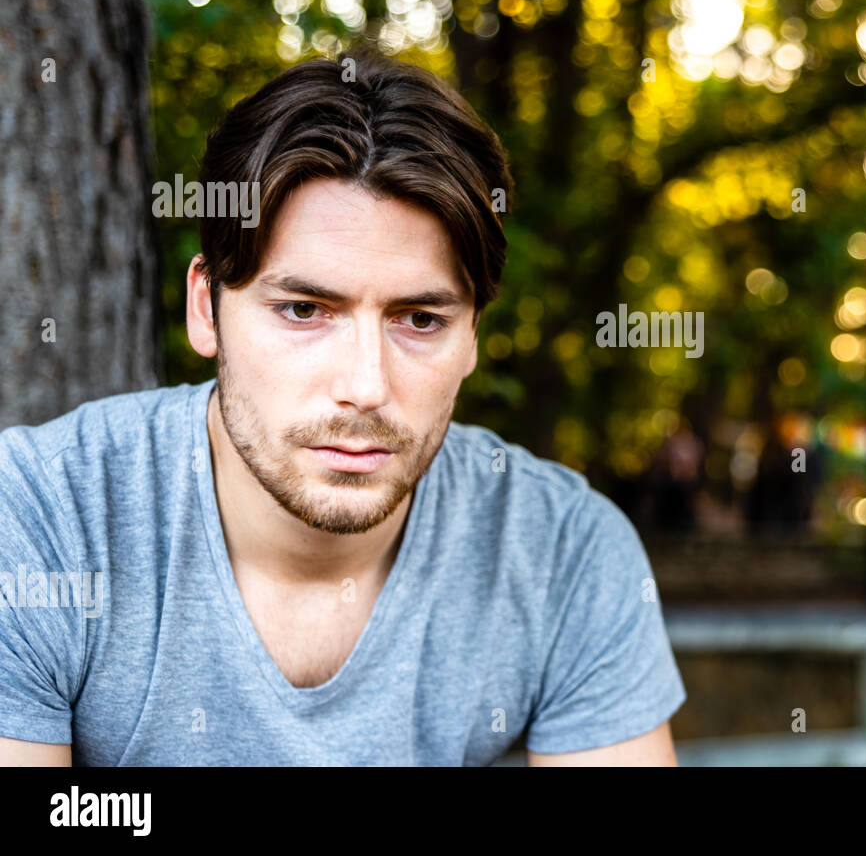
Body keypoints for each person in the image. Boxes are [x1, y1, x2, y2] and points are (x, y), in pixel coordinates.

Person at [0, 52, 685, 766]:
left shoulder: (561, 550)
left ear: (472, 334)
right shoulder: (42, 517)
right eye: (304, 309)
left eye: (419, 319)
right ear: (206, 308)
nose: (365, 385)